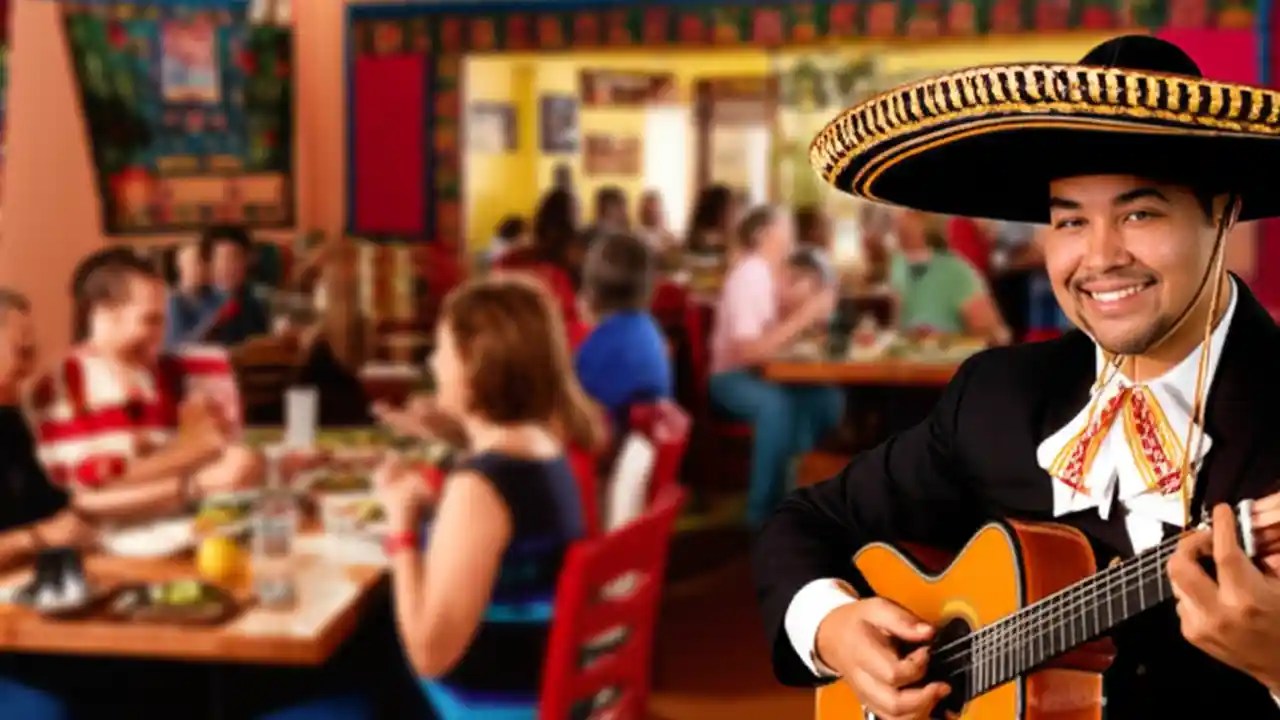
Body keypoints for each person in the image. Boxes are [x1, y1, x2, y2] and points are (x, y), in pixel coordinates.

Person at [754, 35, 1280, 719]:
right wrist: (833, 628)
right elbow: (805, 523)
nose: (1099, 256)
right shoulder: (998, 396)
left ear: (1223, 210)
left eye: (1139, 213)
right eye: (1070, 221)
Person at [371, 277, 605, 720]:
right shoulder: (543, 447)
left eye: (443, 349)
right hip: (530, 688)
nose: (434, 362)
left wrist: (400, 527)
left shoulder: (481, 488)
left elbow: (428, 654)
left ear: (477, 365)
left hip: (481, 707)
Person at [25, 250, 260, 522]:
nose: (159, 337)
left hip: (179, 530)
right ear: (104, 313)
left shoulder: (158, 373)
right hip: (109, 547)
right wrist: (194, 457)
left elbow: (204, 453)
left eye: (162, 321)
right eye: (150, 321)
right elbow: (90, 493)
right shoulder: (66, 381)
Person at [708, 206, 843, 527]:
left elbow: (777, 339)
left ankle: (792, 489)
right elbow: (750, 351)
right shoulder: (750, 274)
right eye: (786, 228)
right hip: (729, 378)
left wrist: (805, 310)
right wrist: (804, 315)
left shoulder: (772, 275)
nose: (792, 236)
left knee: (827, 399)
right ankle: (762, 514)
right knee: (776, 405)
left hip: (762, 375)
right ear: (766, 234)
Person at [574, 232, 673, 435]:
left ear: (590, 288)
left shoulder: (601, 348)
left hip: (607, 455)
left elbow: (569, 412)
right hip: (634, 453)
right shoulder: (647, 328)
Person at [888, 208, 1011, 344]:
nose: (900, 224)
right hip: (908, 360)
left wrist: (944, 338)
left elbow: (996, 334)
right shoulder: (899, 265)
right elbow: (899, 323)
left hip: (948, 360)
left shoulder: (955, 271)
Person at [202, 225, 270, 345]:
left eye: (234, 258)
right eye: (222, 259)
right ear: (209, 263)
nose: (229, 267)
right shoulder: (194, 304)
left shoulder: (256, 305)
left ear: (246, 262)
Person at [163, 239, 224, 351]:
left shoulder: (217, 297)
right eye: (193, 263)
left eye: (204, 262)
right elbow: (177, 344)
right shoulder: (172, 301)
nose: (200, 268)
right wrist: (213, 322)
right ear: (180, 266)